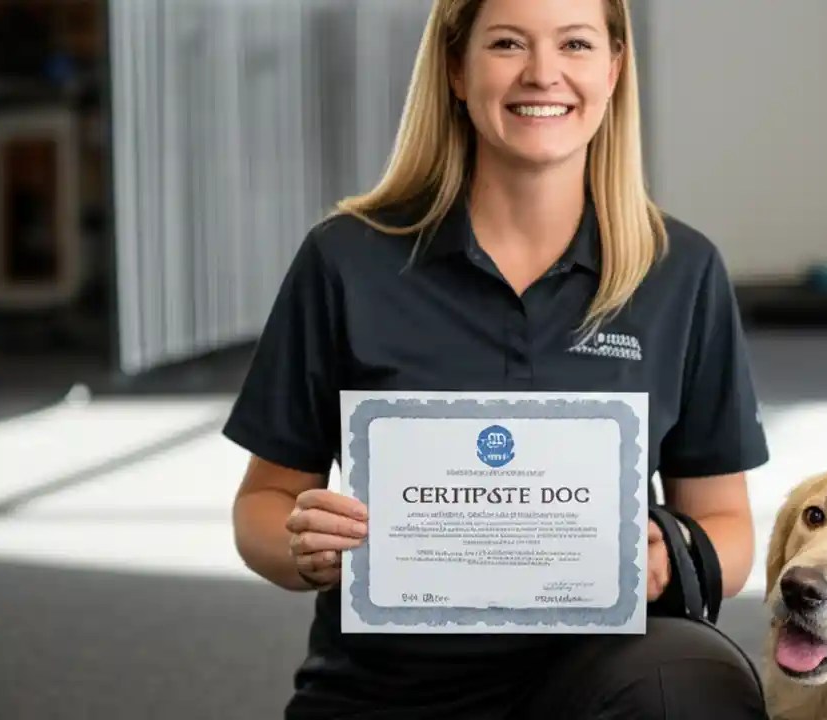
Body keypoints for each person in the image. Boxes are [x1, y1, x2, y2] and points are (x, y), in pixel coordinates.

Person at [224, 0, 770, 717]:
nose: (543, 74)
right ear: (456, 67)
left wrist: (670, 555)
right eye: (508, 43)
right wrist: (300, 546)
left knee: (694, 681)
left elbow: (728, 527)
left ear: (614, 67)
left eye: (574, 44)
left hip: (602, 674)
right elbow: (260, 504)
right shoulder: (345, 258)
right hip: (388, 687)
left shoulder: (680, 270)